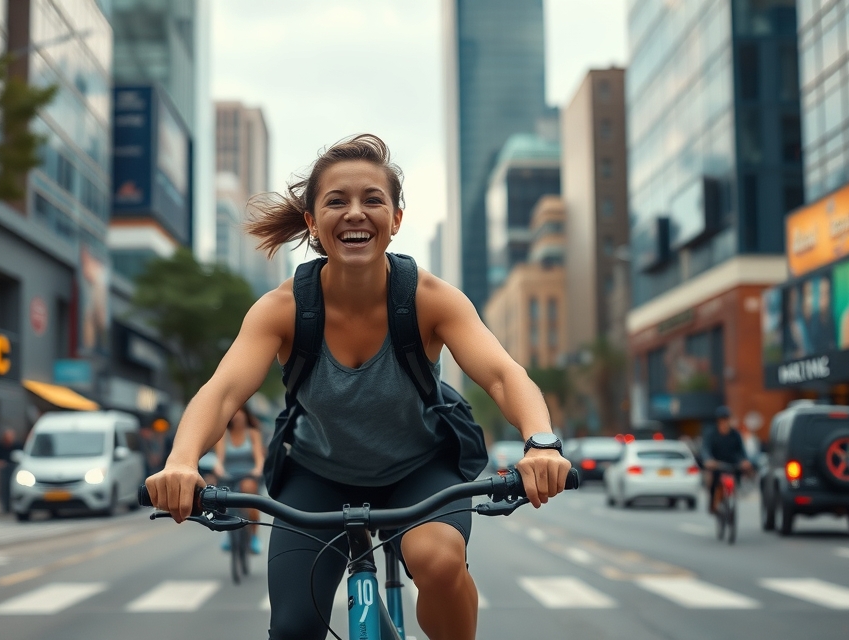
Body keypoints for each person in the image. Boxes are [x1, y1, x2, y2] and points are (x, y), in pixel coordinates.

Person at [145, 134, 570, 640]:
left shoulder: (430, 299)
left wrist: (540, 443)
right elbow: (222, 392)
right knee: (294, 629)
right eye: (336, 201)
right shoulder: (282, 309)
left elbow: (503, 374)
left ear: (395, 220)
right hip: (316, 476)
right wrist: (181, 462)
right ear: (311, 222)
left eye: (372, 200)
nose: (355, 213)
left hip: (419, 470)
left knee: (437, 562)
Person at [213, 407, 266, 555]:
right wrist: (219, 469)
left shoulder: (253, 433)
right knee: (223, 502)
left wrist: (257, 469)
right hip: (228, 476)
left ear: (245, 415)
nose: (236, 416)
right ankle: (229, 536)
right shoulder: (224, 435)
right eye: (233, 413)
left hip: (248, 475)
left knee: (249, 496)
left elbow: (259, 458)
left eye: (239, 413)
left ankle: (254, 536)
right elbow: (219, 458)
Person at [701, 406, 753, 515]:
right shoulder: (712, 434)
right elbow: (706, 449)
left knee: (738, 478)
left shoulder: (735, 435)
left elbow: (742, 451)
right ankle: (713, 504)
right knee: (713, 482)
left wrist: (745, 461)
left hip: (733, 465)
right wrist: (708, 460)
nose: (724, 422)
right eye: (721, 420)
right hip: (717, 465)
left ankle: (733, 499)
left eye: (726, 419)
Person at [0, 428, 23, 514]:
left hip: (15, 469)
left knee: (13, 487)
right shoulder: (0, 446)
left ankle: (14, 505)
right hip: (4, 470)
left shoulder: (18, 445)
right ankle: (5, 507)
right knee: (4, 488)